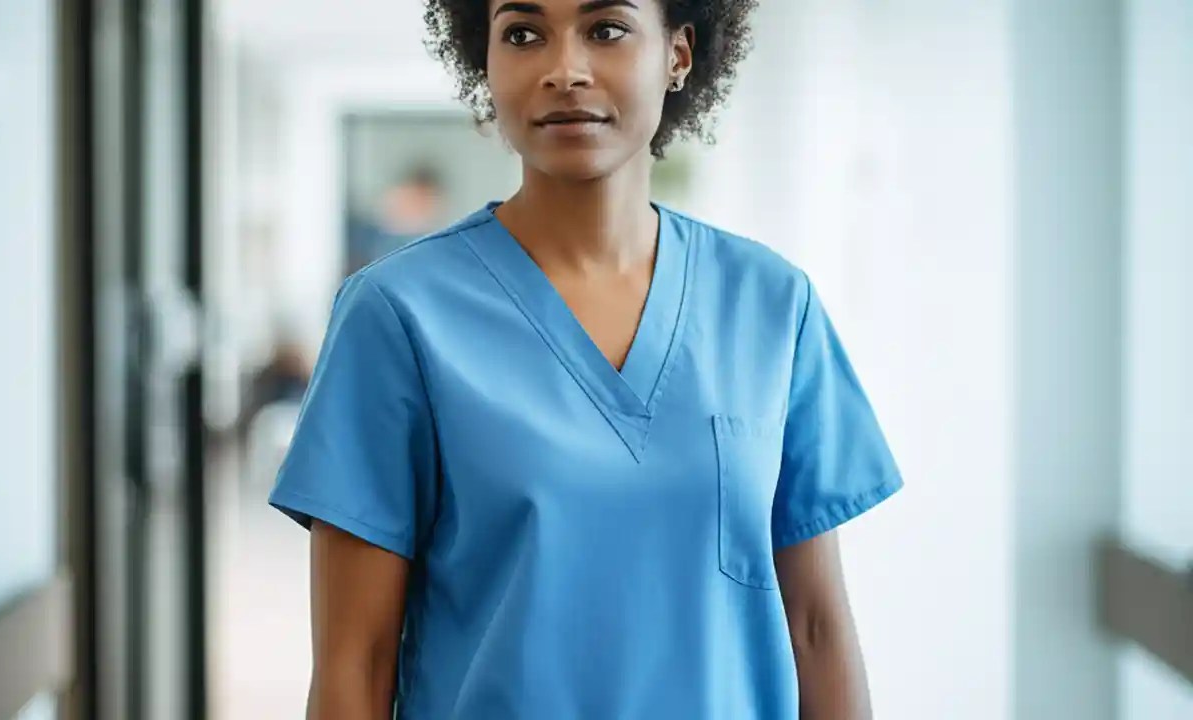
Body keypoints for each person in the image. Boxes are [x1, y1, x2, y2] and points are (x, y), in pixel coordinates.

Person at [268, 0, 904, 717]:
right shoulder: (396, 314)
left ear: (678, 55)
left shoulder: (771, 306)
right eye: (523, 34)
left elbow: (816, 629)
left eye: (606, 30)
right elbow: (357, 661)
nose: (564, 70)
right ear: (486, 59)